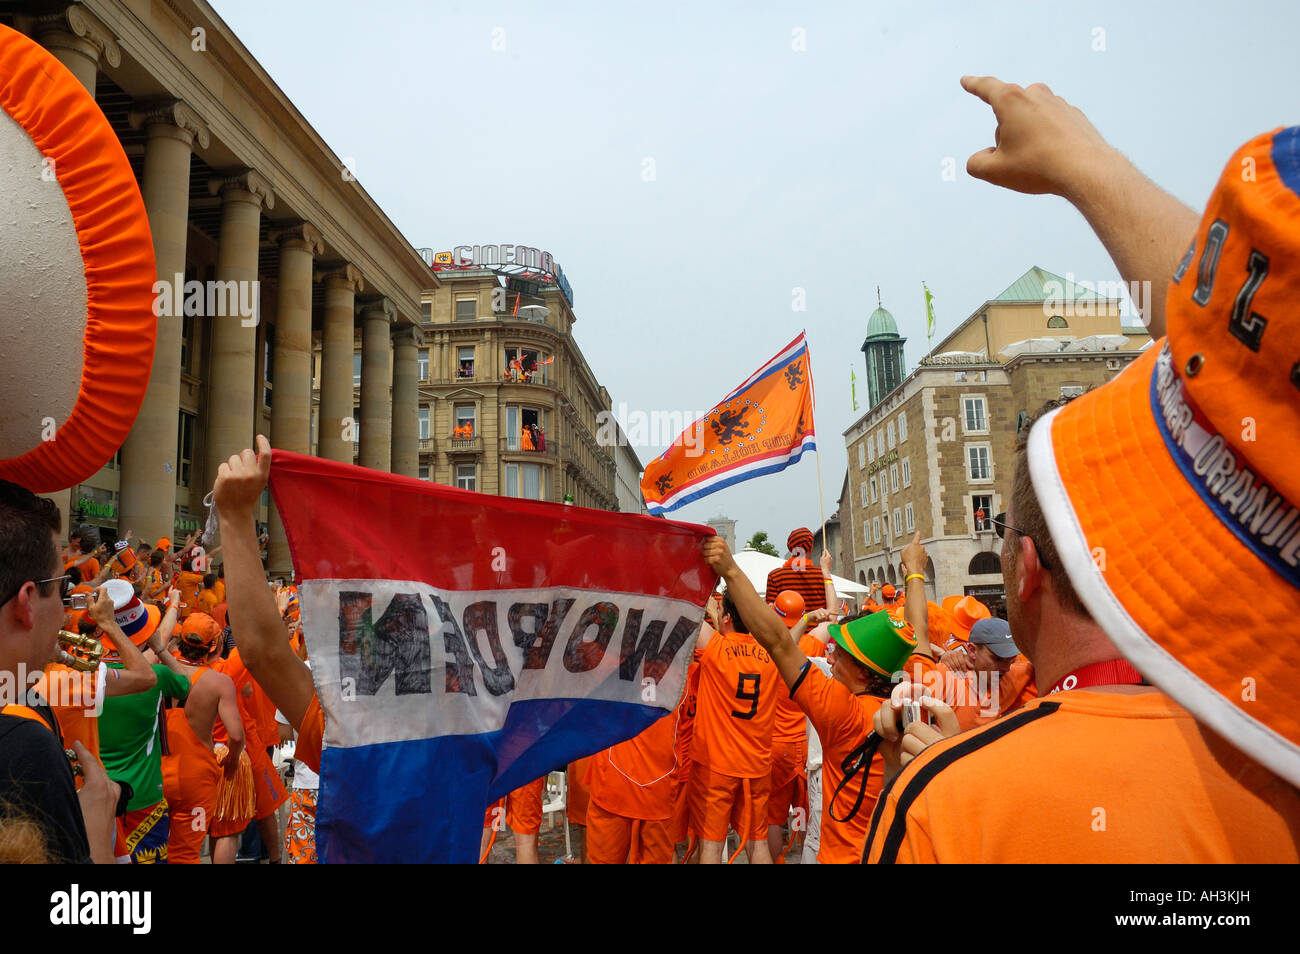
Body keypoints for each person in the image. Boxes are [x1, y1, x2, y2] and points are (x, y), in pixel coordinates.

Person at [863, 77, 1300, 863]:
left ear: (1024, 569)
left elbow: (1244, 357)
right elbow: (1247, 357)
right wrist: (1090, 169)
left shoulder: (947, 806)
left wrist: (936, 784)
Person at [704, 531, 930, 863]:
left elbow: (779, 643)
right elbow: (919, 633)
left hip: (842, 856)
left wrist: (730, 571)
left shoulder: (843, 710)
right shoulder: (918, 683)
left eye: (841, 654)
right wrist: (915, 574)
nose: (831, 657)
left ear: (864, 673)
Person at [0, 480, 119, 863]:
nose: (66, 610)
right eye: (62, 586)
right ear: (27, 602)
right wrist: (96, 839)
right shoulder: (24, 748)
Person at [96, 583, 191, 862]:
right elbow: (185, 685)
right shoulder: (157, 676)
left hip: (97, 794)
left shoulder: (87, 677)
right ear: (144, 634)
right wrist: (160, 648)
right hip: (145, 795)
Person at [685, 589, 780, 864]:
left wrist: (710, 609)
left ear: (726, 617)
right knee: (757, 844)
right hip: (757, 765)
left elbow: (688, 609)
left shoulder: (715, 647)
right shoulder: (771, 652)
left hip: (717, 767)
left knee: (711, 847)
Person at [160, 612, 242, 864]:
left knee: (150, 853)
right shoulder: (219, 682)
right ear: (215, 646)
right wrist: (232, 761)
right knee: (185, 854)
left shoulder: (159, 670)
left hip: (157, 771)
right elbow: (236, 735)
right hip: (196, 776)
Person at [764, 528, 834, 612]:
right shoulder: (823, 575)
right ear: (811, 547)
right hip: (819, 621)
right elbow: (831, 608)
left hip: (787, 621)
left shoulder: (775, 576)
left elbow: (770, 612)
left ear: (790, 548)